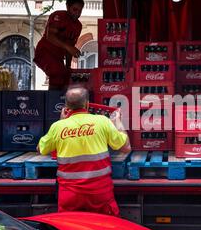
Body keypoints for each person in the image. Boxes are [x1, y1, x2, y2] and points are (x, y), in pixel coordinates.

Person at [37, 87, 131, 216]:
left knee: (71, 229)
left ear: (66, 106)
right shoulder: (102, 121)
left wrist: (61, 122)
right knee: (106, 228)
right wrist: (117, 122)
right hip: (99, 193)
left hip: (70, 196)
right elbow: (126, 148)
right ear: (87, 103)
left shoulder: (57, 127)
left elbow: (41, 149)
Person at [33, 0, 84, 90]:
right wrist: (68, 47)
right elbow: (50, 36)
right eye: (75, 9)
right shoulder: (58, 16)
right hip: (44, 52)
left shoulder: (78, 26)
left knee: (66, 75)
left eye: (80, 11)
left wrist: (68, 66)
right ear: (67, 7)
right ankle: (52, 100)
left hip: (58, 57)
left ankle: (61, 100)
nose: (77, 13)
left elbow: (70, 48)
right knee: (57, 73)